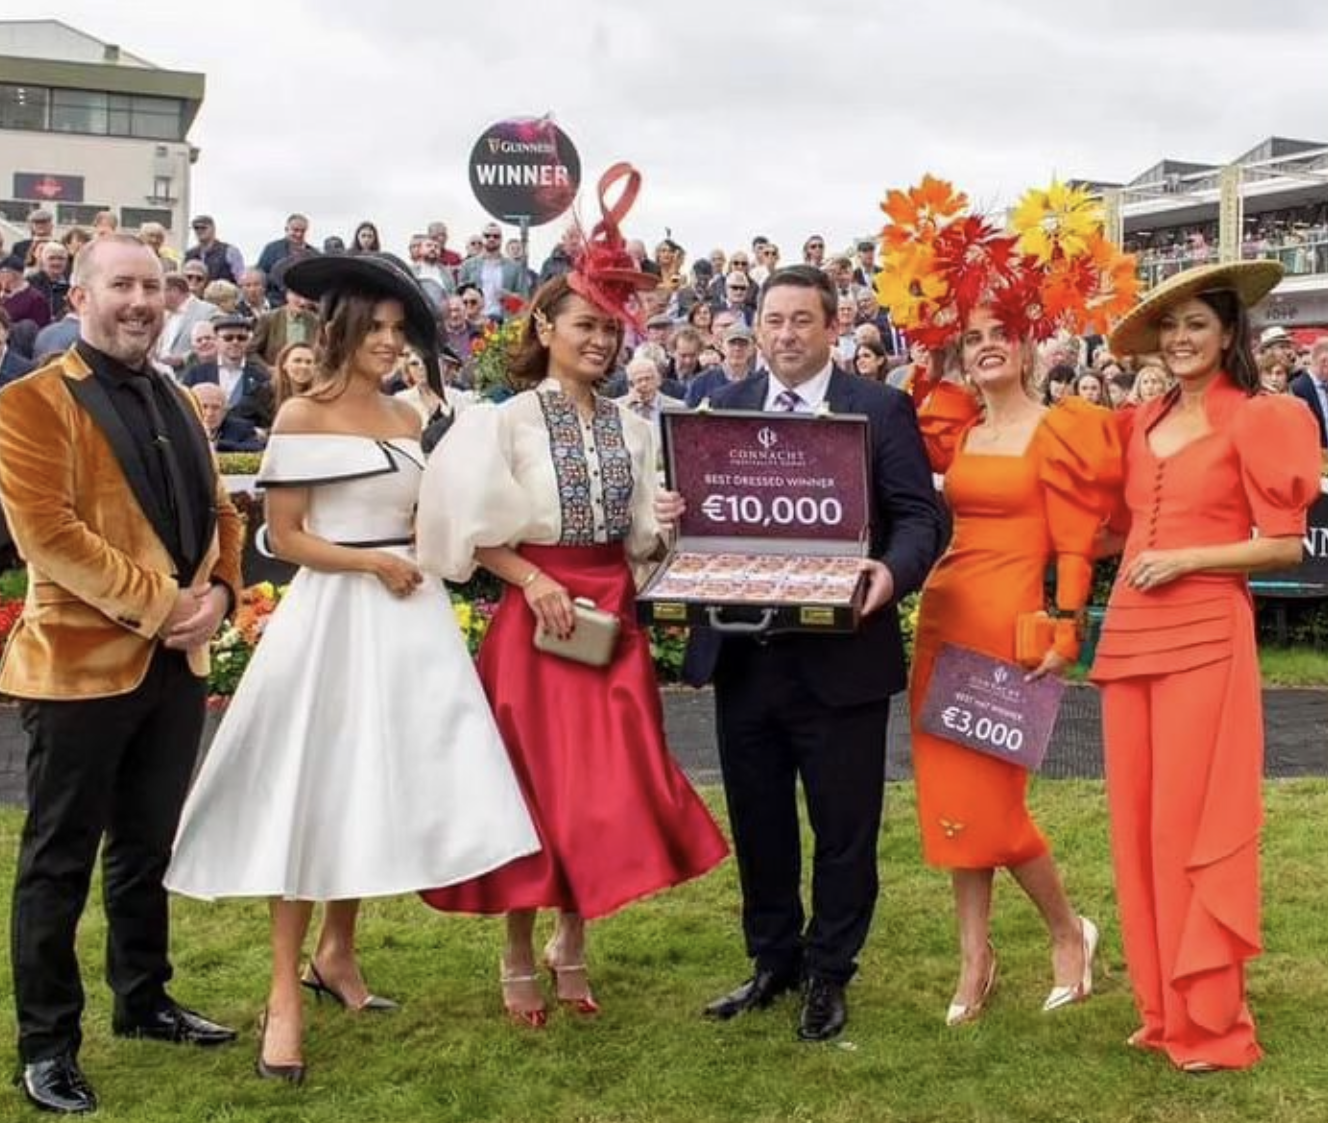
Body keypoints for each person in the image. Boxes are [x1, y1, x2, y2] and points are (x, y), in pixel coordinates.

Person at [165, 252, 539, 1083]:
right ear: (338, 330)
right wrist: (373, 566)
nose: (387, 342)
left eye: (396, 330)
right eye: (374, 328)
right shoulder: (300, 414)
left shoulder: (409, 417)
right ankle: (284, 991)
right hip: (337, 613)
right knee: (311, 789)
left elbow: (437, 511)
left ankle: (338, 953)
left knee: (373, 784)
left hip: (407, 618)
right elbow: (286, 538)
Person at [415, 164, 728, 1029]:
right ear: (544, 325)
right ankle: (518, 952)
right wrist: (535, 578)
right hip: (536, 615)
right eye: (585, 325)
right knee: (529, 787)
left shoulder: (634, 427)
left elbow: (637, 544)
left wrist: (663, 520)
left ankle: (574, 940)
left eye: (610, 329)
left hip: (607, 616)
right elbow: (473, 531)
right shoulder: (503, 421)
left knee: (600, 791)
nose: (600, 341)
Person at [876, 175, 1137, 1030]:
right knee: (954, 802)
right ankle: (974, 958)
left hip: (1015, 627)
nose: (987, 346)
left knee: (998, 805)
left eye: (1002, 335)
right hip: (947, 616)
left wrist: (1066, 625)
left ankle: (1070, 931)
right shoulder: (956, 428)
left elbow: (1075, 540)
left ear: (1029, 349)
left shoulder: (1063, 427)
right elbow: (911, 454)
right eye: (974, 337)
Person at [0, 234, 245, 1115]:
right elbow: (51, 537)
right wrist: (166, 604)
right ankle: (48, 1044)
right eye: (122, 285)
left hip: (172, 665)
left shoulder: (178, 394)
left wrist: (219, 590)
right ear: (80, 298)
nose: (142, 299)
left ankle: (144, 1001)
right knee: (58, 862)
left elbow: (220, 508)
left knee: (146, 848)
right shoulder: (29, 403)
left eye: (154, 285)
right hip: (76, 670)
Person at [668, 265, 945, 1042]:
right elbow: (697, 527)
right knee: (759, 821)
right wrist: (672, 512)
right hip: (746, 657)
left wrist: (889, 574)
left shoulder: (880, 408)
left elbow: (922, 518)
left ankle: (830, 970)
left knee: (844, 826)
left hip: (841, 657)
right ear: (753, 328)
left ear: (832, 327)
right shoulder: (719, 409)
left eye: (800, 320)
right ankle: (772, 960)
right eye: (772, 320)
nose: (785, 334)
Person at [1092, 260, 1321, 1072]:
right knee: (1138, 828)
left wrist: (1189, 560)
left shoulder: (1265, 417)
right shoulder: (1139, 418)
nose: (1181, 338)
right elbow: (1118, 530)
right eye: (1171, 325)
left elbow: (1286, 543)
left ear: (1230, 333)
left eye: (1197, 323)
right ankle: (1161, 1008)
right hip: (1128, 638)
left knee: (1189, 827)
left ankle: (1210, 1018)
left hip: (1204, 639)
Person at [190, 382, 265, 452]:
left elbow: (257, 448)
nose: (210, 413)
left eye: (216, 407)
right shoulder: (182, 427)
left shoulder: (241, 428)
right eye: (204, 407)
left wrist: (217, 445)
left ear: (224, 411)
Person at [271, 340, 318, 407]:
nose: (304, 366)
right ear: (284, 364)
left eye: (309, 362)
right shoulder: (264, 395)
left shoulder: (319, 397)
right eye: (297, 360)